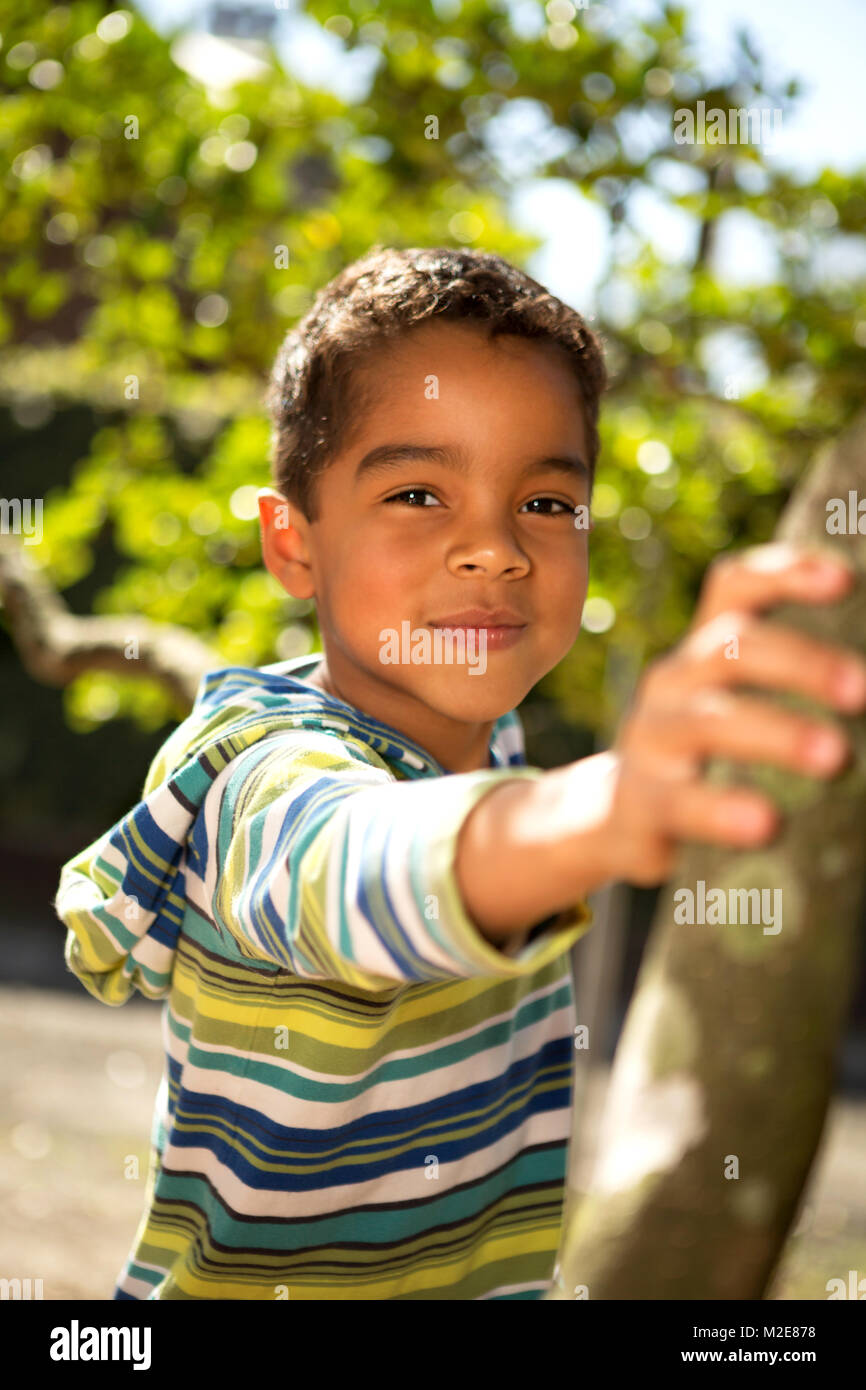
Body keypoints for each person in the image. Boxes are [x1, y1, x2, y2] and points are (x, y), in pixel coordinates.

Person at [54, 245, 866, 1300]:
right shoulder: (261, 778)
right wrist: (604, 803)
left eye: (543, 503)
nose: (493, 548)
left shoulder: (497, 753)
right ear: (292, 544)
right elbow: (358, 861)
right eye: (417, 491)